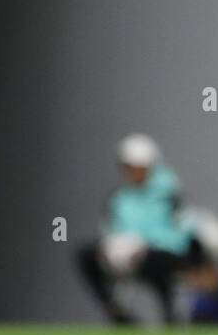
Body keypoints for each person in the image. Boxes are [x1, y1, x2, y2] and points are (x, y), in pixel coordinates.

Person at [75, 134, 204, 324]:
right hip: (127, 254)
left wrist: (146, 244)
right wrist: (114, 246)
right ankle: (116, 312)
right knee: (86, 255)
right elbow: (111, 228)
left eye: (138, 167)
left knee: (158, 263)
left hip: (164, 252)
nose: (133, 172)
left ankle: (171, 317)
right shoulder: (120, 199)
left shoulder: (169, 193)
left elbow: (180, 229)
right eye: (128, 167)